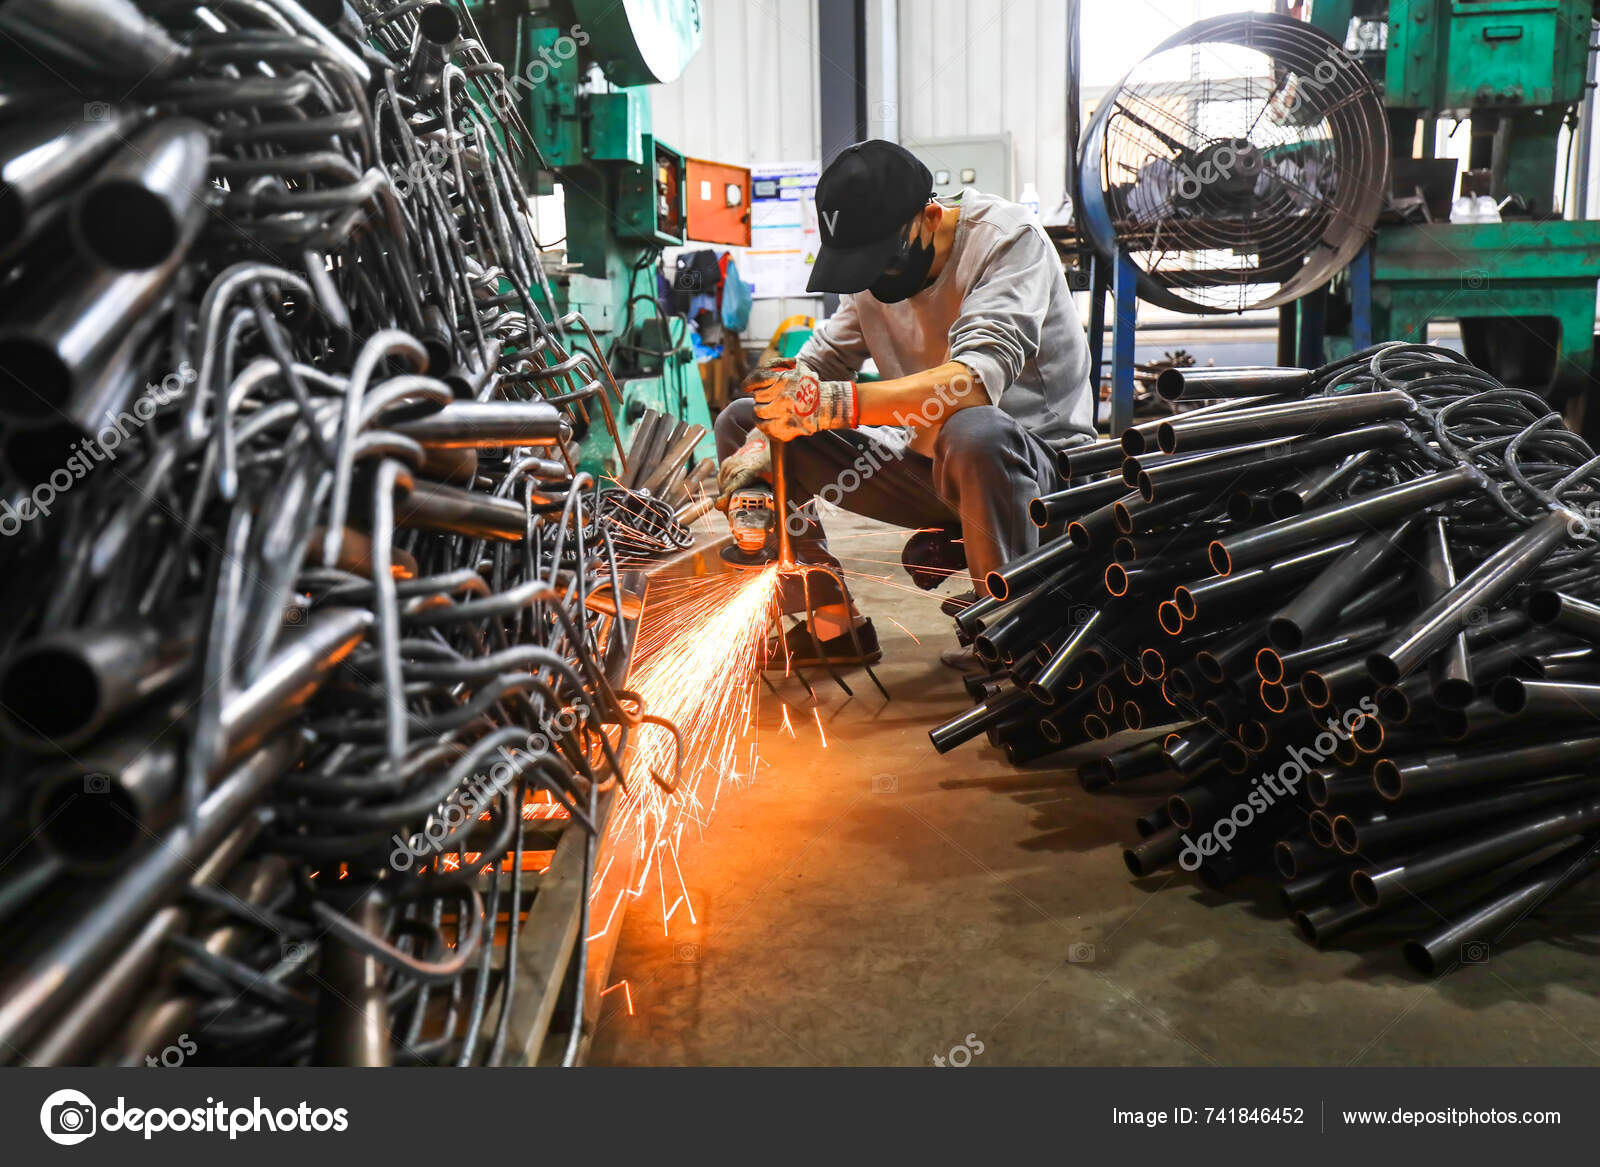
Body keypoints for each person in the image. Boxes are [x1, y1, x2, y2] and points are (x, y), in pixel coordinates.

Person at [715, 139, 1093, 667]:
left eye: (878, 264)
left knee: (975, 429)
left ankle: (1017, 642)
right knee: (746, 417)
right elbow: (818, 364)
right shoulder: (874, 278)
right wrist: (765, 433)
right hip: (936, 469)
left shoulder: (1006, 241)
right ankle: (833, 626)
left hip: (1037, 470)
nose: (871, 282)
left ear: (930, 216)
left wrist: (836, 404)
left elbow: (973, 384)